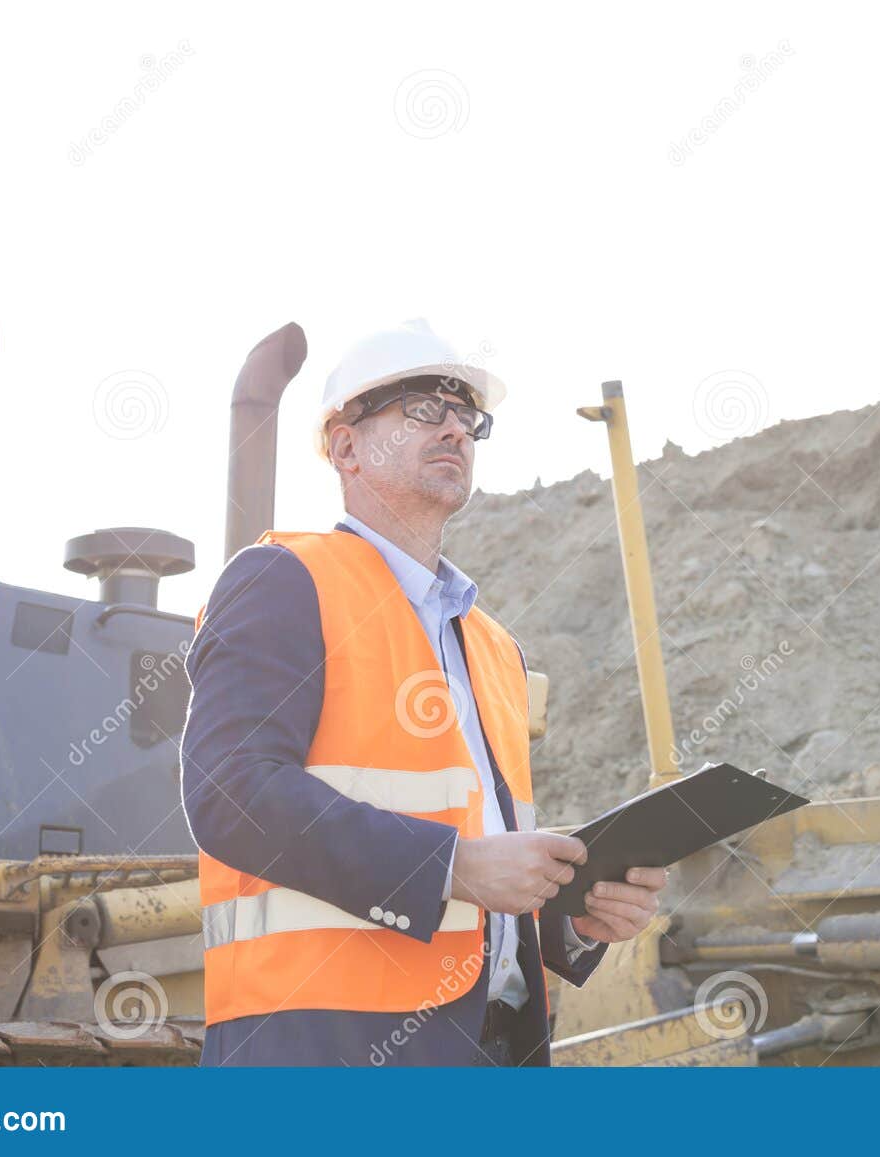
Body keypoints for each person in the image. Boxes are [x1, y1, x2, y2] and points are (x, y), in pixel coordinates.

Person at [181, 319, 669, 1065]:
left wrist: (576, 918)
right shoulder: (283, 580)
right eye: (421, 406)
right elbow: (230, 791)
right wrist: (454, 867)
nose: (454, 428)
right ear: (345, 447)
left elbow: (483, 857)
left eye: (467, 414)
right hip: (323, 1048)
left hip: (491, 1048)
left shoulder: (495, 647)